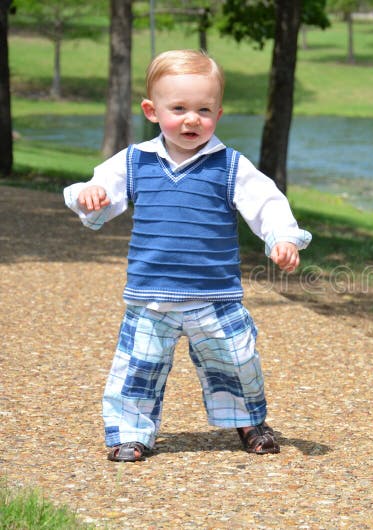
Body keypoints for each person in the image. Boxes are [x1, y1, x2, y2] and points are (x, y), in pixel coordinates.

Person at [63, 49, 311, 462]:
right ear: (152, 110)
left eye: (203, 109)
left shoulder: (230, 166)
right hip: (151, 296)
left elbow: (267, 202)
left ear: (218, 112)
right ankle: (131, 433)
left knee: (238, 360)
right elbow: (98, 191)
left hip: (214, 295)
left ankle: (249, 421)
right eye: (178, 108)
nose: (192, 119)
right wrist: (91, 197)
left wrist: (281, 238)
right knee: (138, 367)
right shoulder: (135, 161)